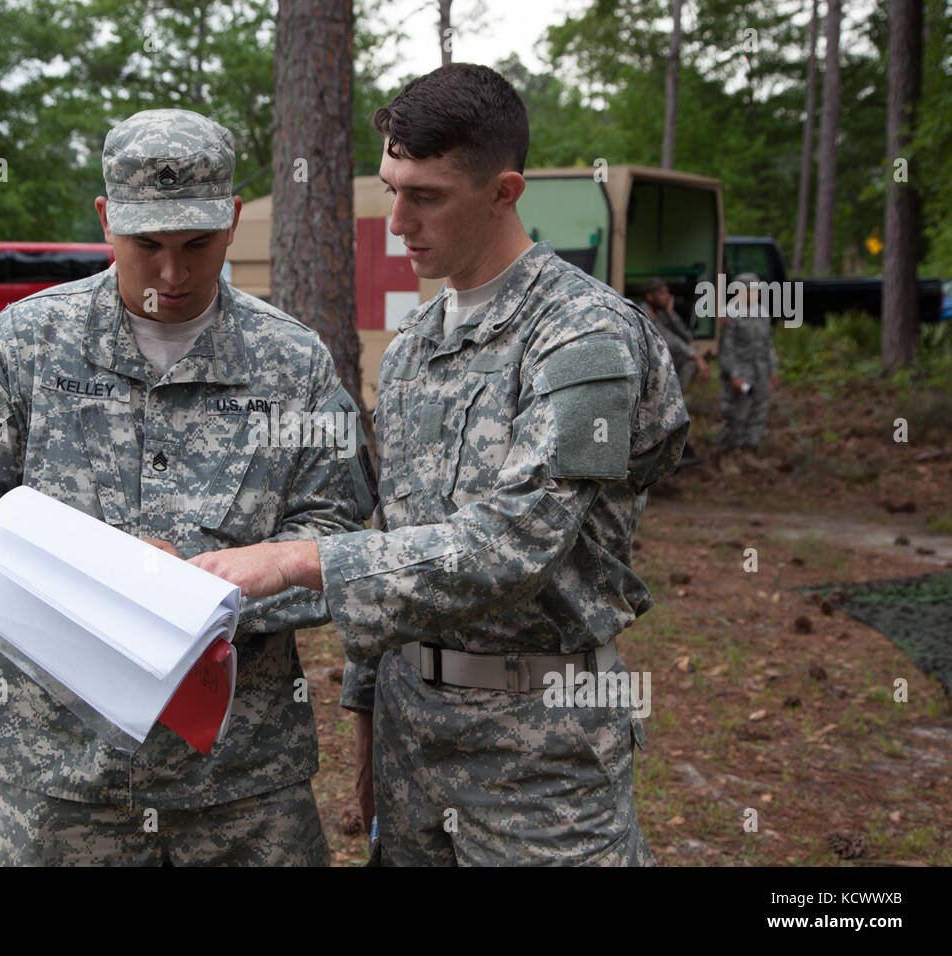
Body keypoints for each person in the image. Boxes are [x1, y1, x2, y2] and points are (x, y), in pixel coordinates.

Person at [190, 63, 689, 866]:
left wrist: (299, 559)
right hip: (412, 735)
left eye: (425, 196)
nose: (397, 221)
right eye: (392, 189)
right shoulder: (417, 345)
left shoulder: (583, 336)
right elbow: (398, 532)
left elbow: (516, 542)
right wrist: (366, 720)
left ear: (504, 191)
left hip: (539, 752)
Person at [0, 108, 375, 866]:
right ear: (105, 220)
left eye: (197, 245)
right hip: (59, 772)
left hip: (240, 782)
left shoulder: (294, 365)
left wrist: (206, 597)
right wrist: (84, 573)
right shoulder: (26, 343)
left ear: (233, 218)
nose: (172, 275)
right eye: (146, 245)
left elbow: (345, 538)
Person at [639, 277, 708, 468]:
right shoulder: (645, 312)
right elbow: (668, 339)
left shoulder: (663, 313)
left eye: (668, 292)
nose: (668, 297)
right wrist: (696, 357)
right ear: (650, 296)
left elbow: (686, 337)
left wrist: (671, 315)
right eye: (662, 293)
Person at [717, 271, 778, 473]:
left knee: (758, 411)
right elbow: (727, 348)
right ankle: (727, 455)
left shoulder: (762, 312)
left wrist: (773, 369)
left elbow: (767, 344)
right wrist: (734, 375)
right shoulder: (730, 314)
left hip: (759, 370)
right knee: (736, 413)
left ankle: (748, 451)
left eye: (757, 290)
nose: (756, 293)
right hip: (741, 372)